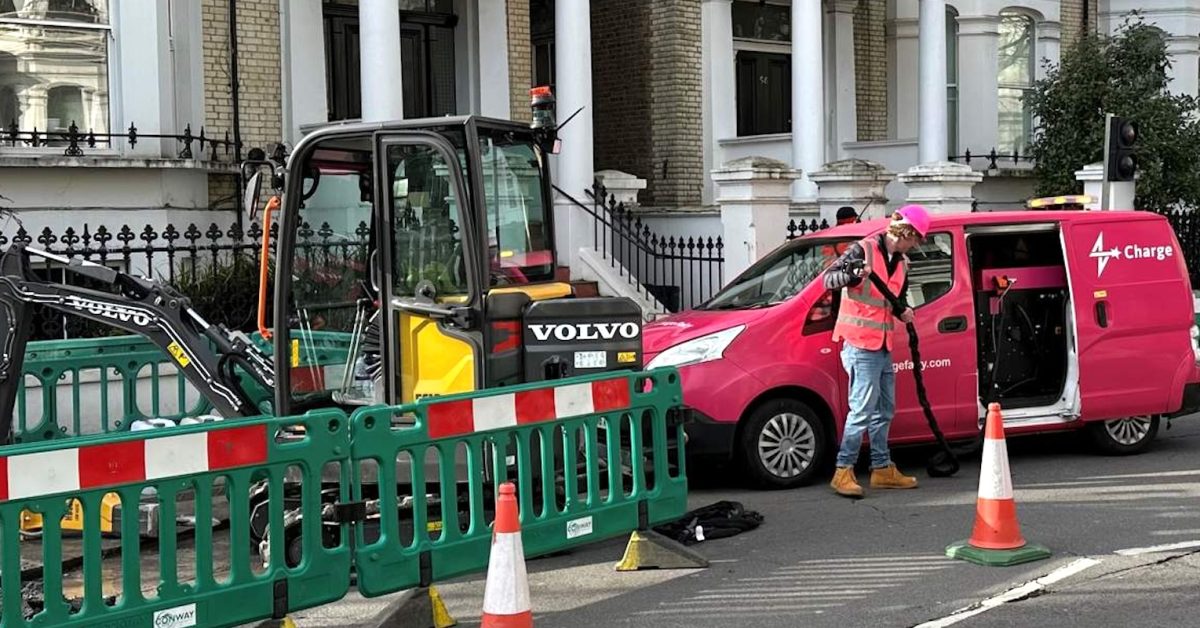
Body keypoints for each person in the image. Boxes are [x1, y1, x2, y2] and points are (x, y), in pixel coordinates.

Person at [821, 204, 931, 498]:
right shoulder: (863, 250)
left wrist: (903, 311)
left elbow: (894, 299)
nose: (916, 245)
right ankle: (843, 471)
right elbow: (828, 279)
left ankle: (882, 469)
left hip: (882, 345)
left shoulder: (902, 262)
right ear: (905, 232)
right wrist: (853, 274)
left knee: (884, 409)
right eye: (916, 238)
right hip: (859, 344)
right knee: (862, 410)